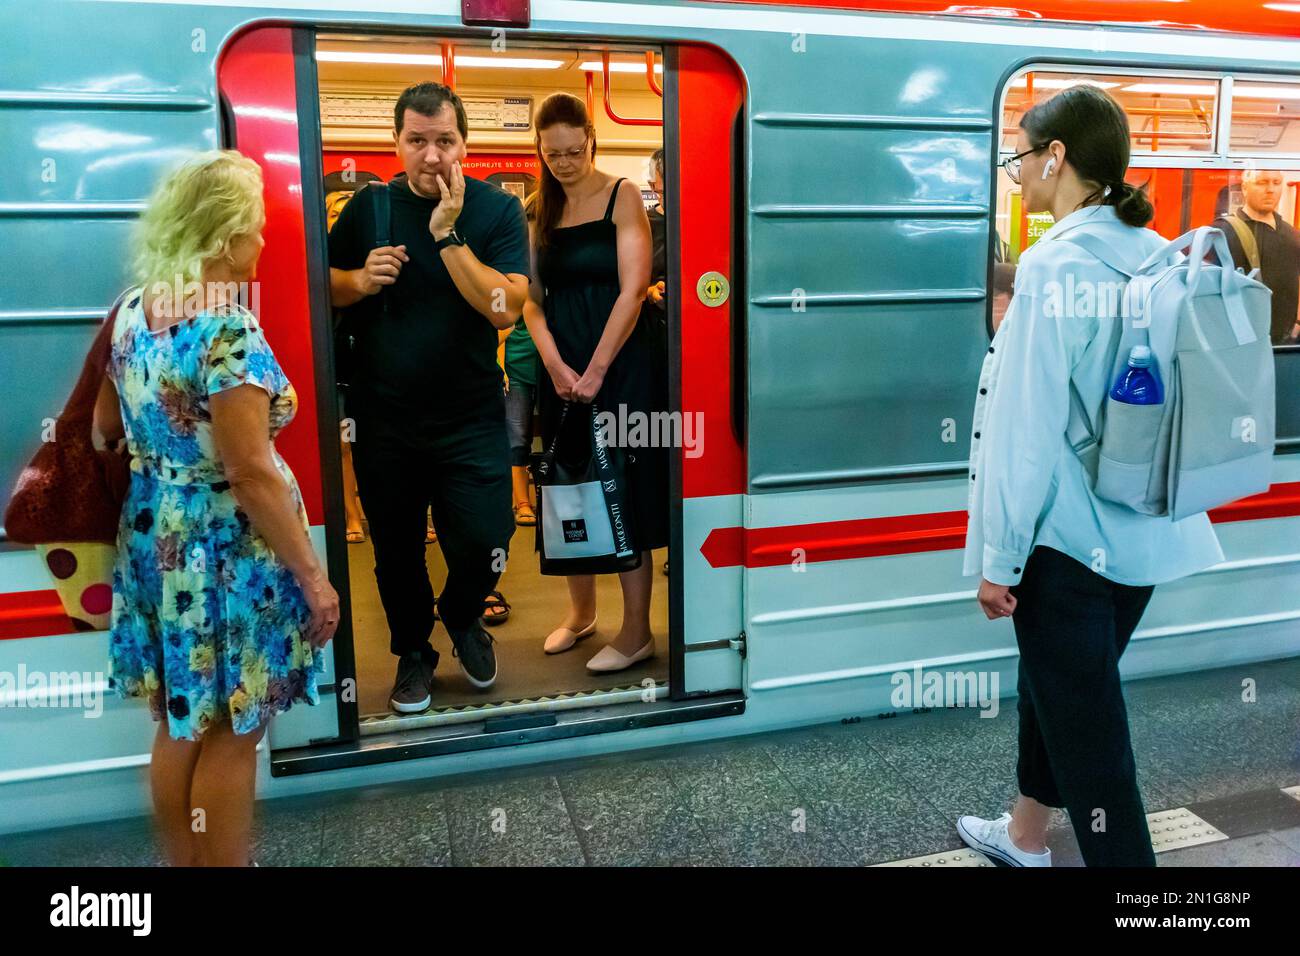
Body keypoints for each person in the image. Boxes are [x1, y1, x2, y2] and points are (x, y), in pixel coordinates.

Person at [959, 85, 1224, 867]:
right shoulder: (1160, 251)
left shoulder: (1051, 267)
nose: (1014, 175)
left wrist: (998, 561)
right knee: (1063, 698)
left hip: (1066, 548)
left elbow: (1024, 432)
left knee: (1099, 762)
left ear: (1057, 157)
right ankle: (1025, 837)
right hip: (1142, 539)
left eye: (1019, 157)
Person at [93, 150, 339, 866]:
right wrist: (313, 578)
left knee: (180, 722)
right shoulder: (228, 331)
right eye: (255, 230)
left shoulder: (133, 312)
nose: (262, 243)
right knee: (235, 728)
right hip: (230, 553)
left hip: (155, 540)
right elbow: (251, 473)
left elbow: (107, 429)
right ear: (227, 237)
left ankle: (185, 861)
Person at [327, 82, 529, 711]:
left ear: (463, 144)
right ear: (398, 143)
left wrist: (447, 238)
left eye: (445, 141)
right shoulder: (369, 208)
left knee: (488, 532)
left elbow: (507, 308)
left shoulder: (496, 210)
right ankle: (414, 650)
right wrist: (359, 279)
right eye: (418, 141)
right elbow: (322, 288)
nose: (432, 156)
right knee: (396, 549)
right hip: (383, 417)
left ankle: (463, 614)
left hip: (470, 414)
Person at [523, 92, 666, 672]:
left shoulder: (621, 195)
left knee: (623, 486)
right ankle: (581, 614)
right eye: (552, 153)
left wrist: (597, 370)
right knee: (566, 484)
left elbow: (633, 290)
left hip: (622, 360)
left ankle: (637, 633)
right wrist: (558, 368)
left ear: (591, 140)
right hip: (561, 362)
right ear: (540, 150)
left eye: (573, 150)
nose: (564, 162)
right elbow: (531, 300)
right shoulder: (536, 209)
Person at [1212, 169, 1300, 345]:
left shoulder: (1292, 235)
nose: (1270, 190)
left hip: (1285, 340)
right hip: (1237, 339)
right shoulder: (1222, 233)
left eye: (1276, 183)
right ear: (1245, 188)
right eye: (1262, 182)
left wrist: (1298, 322)